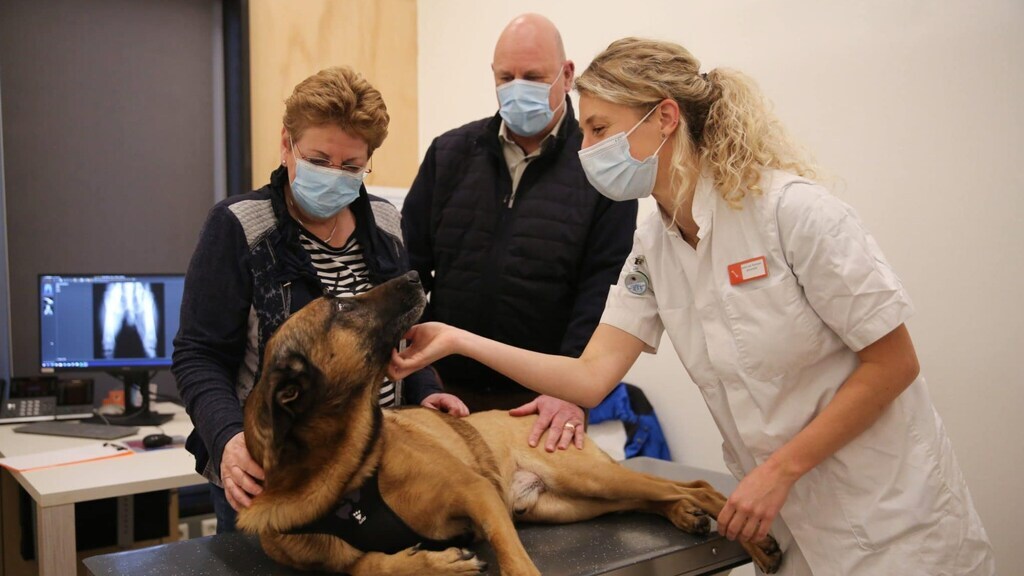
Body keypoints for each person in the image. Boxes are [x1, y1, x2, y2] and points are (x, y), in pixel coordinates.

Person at [391, 38, 996, 575]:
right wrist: (458, 339)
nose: (586, 149)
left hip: (892, 521)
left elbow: (894, 364)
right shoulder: (654, 245)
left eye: (600, 130)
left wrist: (778, 471)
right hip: (786, 523)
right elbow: (589, 375)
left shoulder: (793, 213)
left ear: (665, 118)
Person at [173, 66, 467, 534]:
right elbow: (197, 354)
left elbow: (399, 335)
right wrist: (228, 438)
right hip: (275, 474)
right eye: (319, 159)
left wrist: (427, 390)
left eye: (352, 166)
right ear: (286, 145)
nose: (335, 176)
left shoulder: (386, 222)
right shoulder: (239, 226)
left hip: (375, 462)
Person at [401, 14, 637, 451]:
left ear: (567, 75)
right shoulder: (449, 154)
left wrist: (569, 392)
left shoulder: (598, 164)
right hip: (444, 391)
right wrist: (419, 381)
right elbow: (407, 275)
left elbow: (602, 290)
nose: (517, 88)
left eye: (533, 77)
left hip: (540, 403)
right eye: (506, 77)